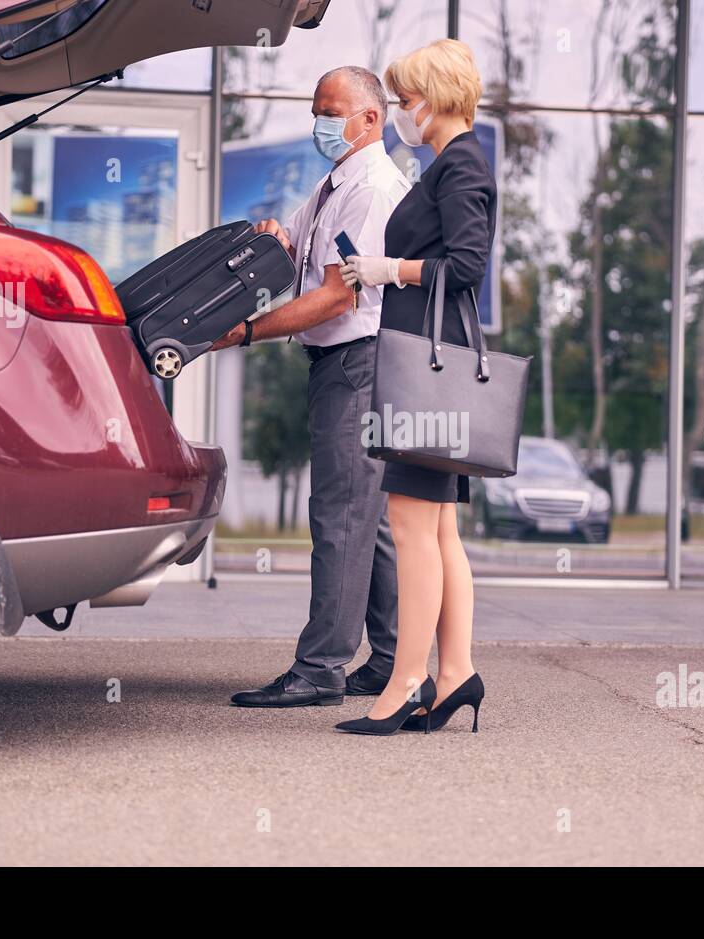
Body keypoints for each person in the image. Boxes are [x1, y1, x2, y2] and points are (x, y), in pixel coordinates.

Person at [214, 66, 410, 708]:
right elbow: (293, 240)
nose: (320, 124)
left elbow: (333, 299)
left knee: (342, 515)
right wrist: (274, 235)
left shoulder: (375, 188)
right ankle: (387, 660)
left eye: (331, 112)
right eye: (316, 111)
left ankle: (322, 666)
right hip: (342, 363)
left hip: (361, 360)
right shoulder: (335, 183)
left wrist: (245, 331)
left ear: (370, 119)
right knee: (370, 520)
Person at [334, 39, 494, 735]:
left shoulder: (458, 166)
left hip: (425, 372)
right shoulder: (452, 163)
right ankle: (455, 673)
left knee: (410, 524)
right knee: (439, 528)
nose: (402, 110)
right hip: (435, 366)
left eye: (404, 99)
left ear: (433, 97)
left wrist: (387, 269)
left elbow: (466, 265)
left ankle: (404, 683)